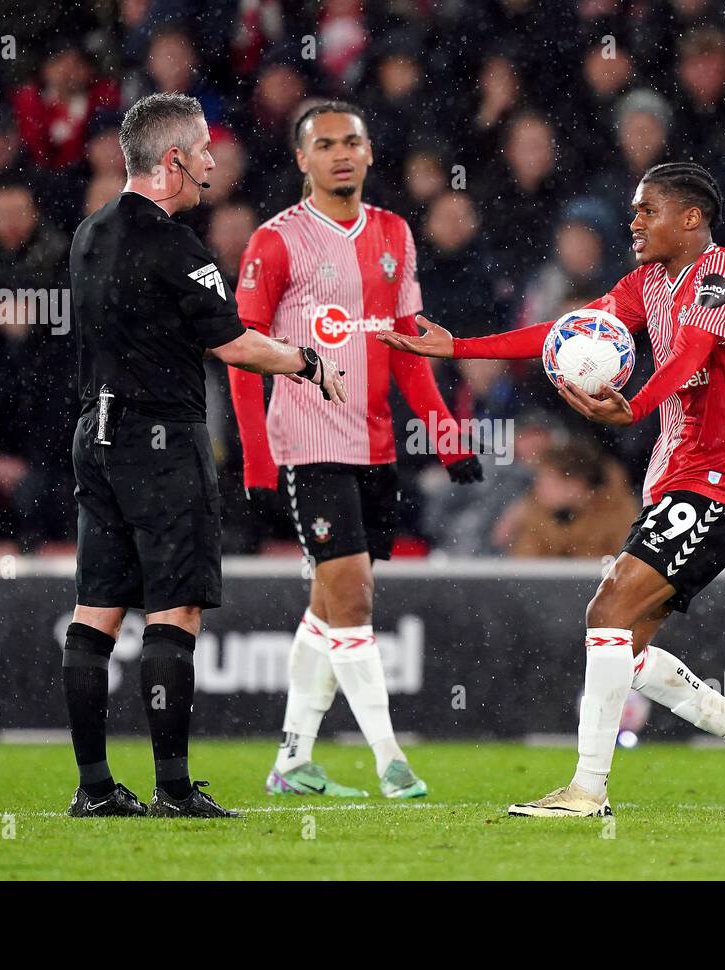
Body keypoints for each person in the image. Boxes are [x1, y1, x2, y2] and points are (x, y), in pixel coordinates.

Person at [381, 162, 725, 819]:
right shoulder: (648, 283)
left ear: (691, 219)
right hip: (680, 479)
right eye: (633, 212)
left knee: (606, 614)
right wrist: (459, 346)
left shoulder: (722, 276)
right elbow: (564, 334)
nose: (634, 224)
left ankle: (587, 791)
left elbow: (690, 355)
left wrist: (633, 408)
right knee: (624, 646)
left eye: (648, 211)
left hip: (724, 479)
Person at [63, 93, 345, 819]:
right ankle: (174, 788)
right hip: (160, 442)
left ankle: (95, 787)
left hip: (93, 437)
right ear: (174, 161)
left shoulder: (87, 234)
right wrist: (307, 362)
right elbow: (233, 344)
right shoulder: (176, 247)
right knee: (176, 607)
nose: (215, 162)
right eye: (204, 150)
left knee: (95, 611)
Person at [228, 100, 481, 800]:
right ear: (302, 160)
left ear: (369, 154)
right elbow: (243, 355)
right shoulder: (275, 243)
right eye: (325, 144)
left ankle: (291, 760)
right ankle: (390, 760)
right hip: (308, 445)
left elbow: (407, 348)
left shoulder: (395, 233)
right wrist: (254, 458)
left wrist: (445, 434)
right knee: (355, 597)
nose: (341, 153)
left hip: (375, 446)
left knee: (329, 604)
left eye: (352, 142)